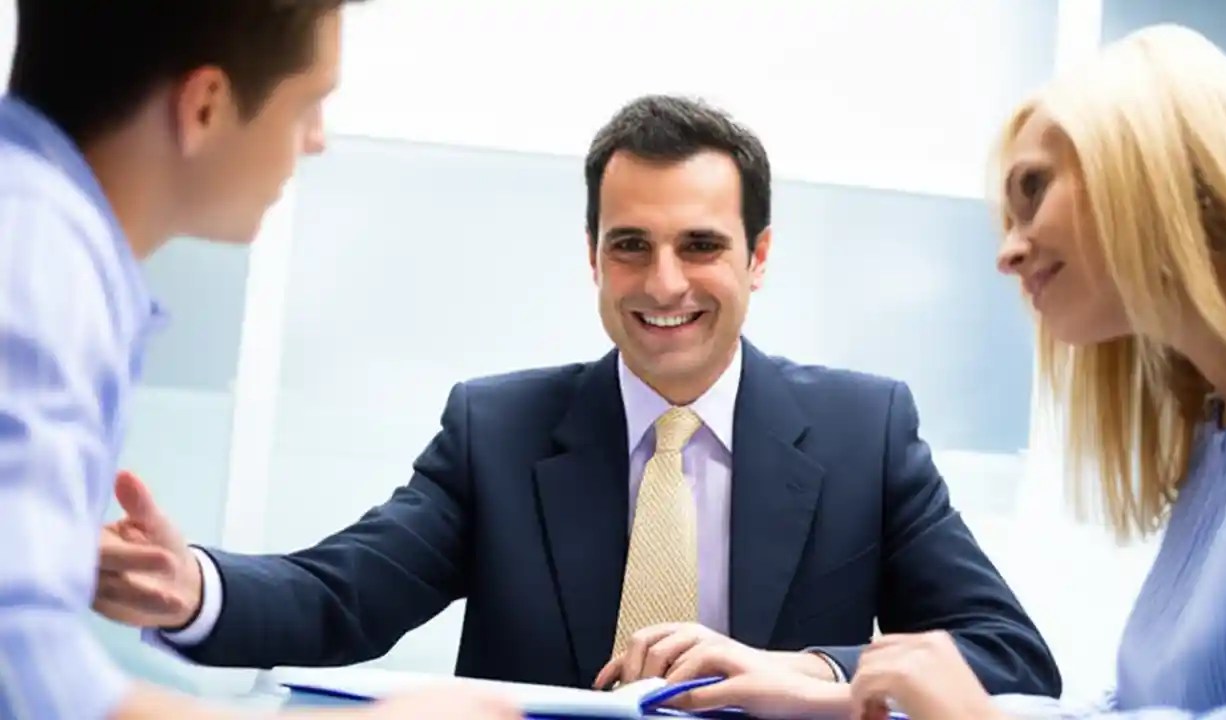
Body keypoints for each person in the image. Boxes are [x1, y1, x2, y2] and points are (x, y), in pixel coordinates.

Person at [94, 94, 1062, 699]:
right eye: (629, 246)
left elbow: (1006, 658)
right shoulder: (496, 430)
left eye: (700, 246)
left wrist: (812, 673)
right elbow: (340, 597)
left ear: (757, 257)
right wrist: (192, 591)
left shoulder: (865, 431)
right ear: (591, 258)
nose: (663, 284)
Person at [665, 22, 1226, 720]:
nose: (1008, 254)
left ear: (1150, 167)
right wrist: (825, 695)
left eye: (1034, 190)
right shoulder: (1221, 430)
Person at [0, 2, 521, 719]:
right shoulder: (35, 263)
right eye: (309, 105)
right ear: (207, 105)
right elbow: (25, 673)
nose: (316, 142)